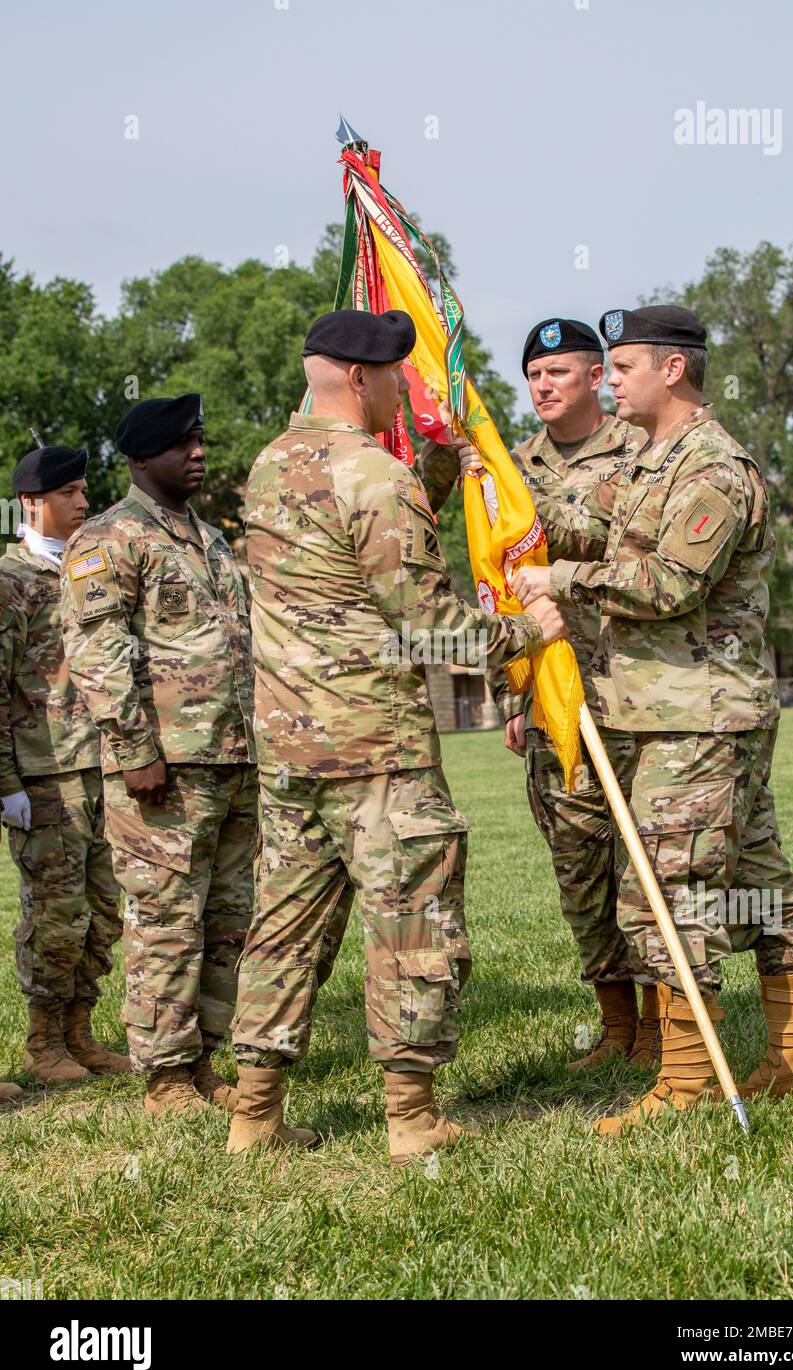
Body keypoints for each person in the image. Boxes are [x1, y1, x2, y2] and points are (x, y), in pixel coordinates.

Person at [228, 307, 565, 1164]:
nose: (399, 392)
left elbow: (335, 565)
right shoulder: (374, 474)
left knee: (283, 928)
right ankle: (412, 1120)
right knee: (413, 925)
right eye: (391, 378)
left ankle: (253, 1117)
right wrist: (529, 631)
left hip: (291, 746)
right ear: (355, 378)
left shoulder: (268, 469)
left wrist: (438, 484)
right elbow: (427, 625)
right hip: (376, 749)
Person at [512, 304, 793, 1134]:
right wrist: (516, 509)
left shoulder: (715, 467)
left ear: (673, 371)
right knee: (759, 887)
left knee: (665, 891)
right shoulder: (659, 460)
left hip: (697, 716)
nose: (607, 383)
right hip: (673, 710)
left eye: (620, 370)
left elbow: (667, 584)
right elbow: (605, 532)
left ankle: (684, 1082)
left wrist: (562, 584)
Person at [419, 318, 658, 1070]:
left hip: (636, 686)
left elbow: (628, 546)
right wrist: (511, 693)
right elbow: (493, 588)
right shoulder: (504, 463)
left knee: (645, 864)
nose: (543, 386)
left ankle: (663, 1026)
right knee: (579, 868)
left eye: (560, 372)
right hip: (551, 691)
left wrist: (520, 501)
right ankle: (616, 1023)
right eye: (534, 375)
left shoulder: (644, 450)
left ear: (596, 378)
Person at [60, 396, 258, 1116]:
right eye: (181, 444)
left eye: (200, 441)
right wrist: (134, 745)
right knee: (167, 922)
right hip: (162, 769)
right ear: (140, 460)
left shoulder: (209, 538)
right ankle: (166, 1078)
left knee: (228, 922)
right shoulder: (108, 538)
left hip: (232, 760)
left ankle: (205, 1062)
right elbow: (96, 648)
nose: (198, 453)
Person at [0, 445, 127, 1083]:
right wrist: (5, 785)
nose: (84, 502)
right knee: (56, 914)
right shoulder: (9, 580)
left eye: (84, 490)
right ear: (31, 501)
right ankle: (42, 1042)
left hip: (102, 765)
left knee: (104, 909)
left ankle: (79, 1032)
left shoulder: (89, 569)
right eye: (70, 492)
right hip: (43, 774)